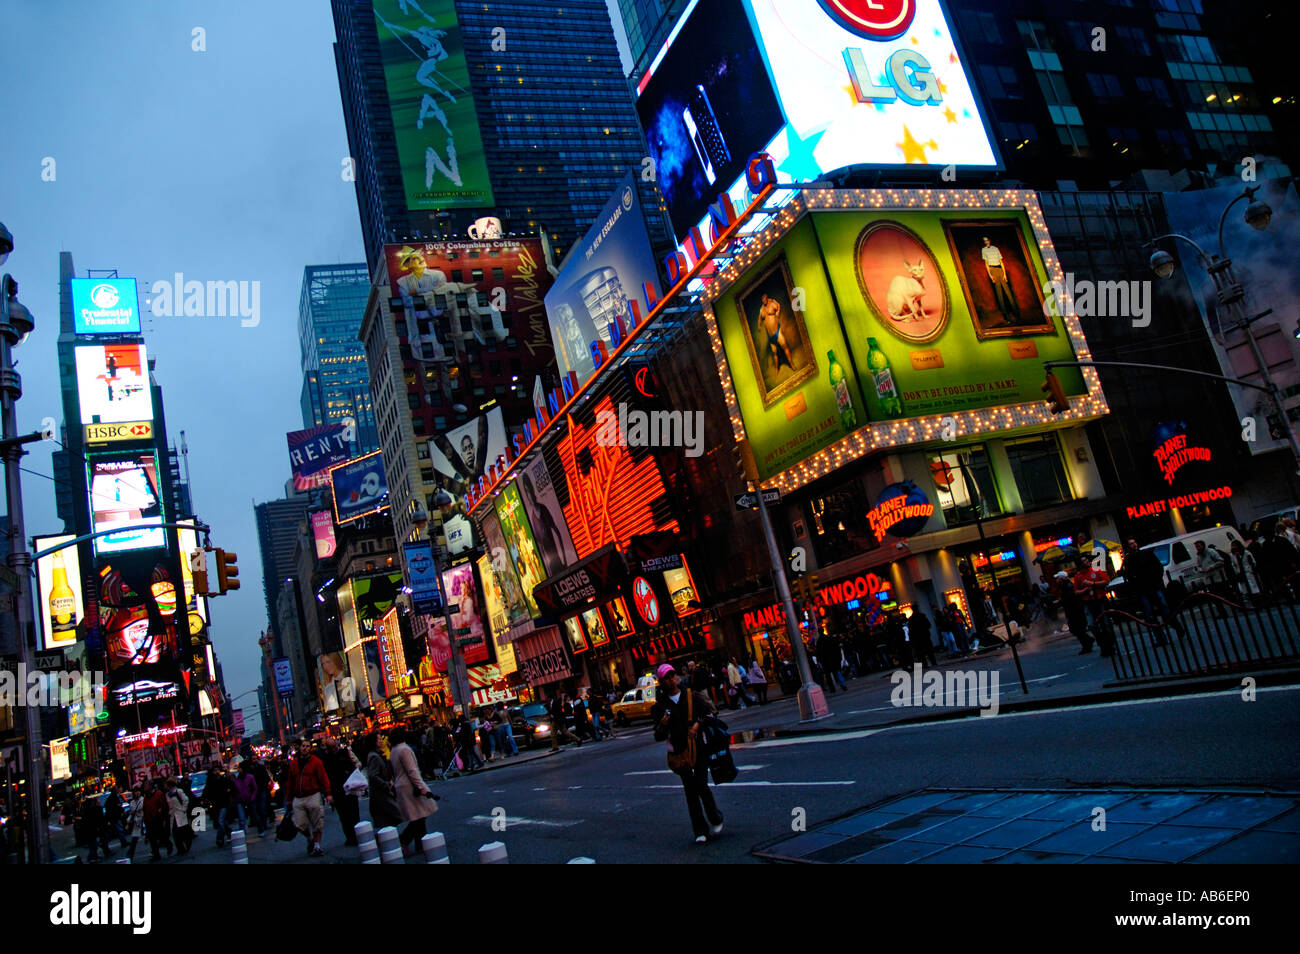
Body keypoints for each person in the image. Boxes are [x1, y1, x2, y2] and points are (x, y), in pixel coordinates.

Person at [651, 664, 724, 845]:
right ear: (661, 682)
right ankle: (700, 830)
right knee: (690, 791)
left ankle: (714, 817)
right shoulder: (659, 706)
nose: (671, 679)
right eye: (666, 677)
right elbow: (658, 735)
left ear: (677, 676)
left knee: (701, 785)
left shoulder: (691, 695)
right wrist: (662, 724)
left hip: (698, 748)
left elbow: (711, 714)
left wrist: (697, 725)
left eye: (672, 675)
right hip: (679, 752)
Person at [1120, 538, 1182, 645]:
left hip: (1154, 586)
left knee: (1164, 610)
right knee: (1150, 615)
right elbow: (1128, 575)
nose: (1133, 545)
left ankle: (1177, 628)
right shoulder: (1128, 560)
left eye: (1134, 543)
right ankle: (1160, 638)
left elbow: (1158, 567)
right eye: (1131, 544)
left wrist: (1157, 580)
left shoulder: (1146, 554)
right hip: (1142, 590)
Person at [388, 728, 438, 854]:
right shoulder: (404, 749)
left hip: (401, 785)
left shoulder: (394, 749)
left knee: (418, 815)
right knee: (419, 817)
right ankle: (404, 840)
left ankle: (420, 843)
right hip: (410, 786)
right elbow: (412, 771)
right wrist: (423, 788)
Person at [285, 738, 332, 857]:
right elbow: (290, 782)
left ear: (310, 748)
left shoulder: (316, 762)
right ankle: (309, 837)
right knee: (298, 824)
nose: (305, 748)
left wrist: (328, 794)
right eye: (303, 746)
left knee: (317, 822)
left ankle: (317, 846)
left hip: (313, 795)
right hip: (298, 798)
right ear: (299, 748)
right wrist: (289, 799)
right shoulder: (293, 764)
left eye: (307, 746)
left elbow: (323, 778)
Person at [321, 737, 362, 846]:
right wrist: (328, 793)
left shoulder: (345, 753)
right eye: (330, 747)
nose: (333, 749)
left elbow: (358, 764)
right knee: (344, 816)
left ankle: (356, 835)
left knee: (354, 814)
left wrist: (354, 771)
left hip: (349, 787)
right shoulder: (326, 759)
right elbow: (325, 777)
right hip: (337, 790)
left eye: (334, 746)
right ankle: (350, 837)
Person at [361, 733, 404, 831]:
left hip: (382, 792)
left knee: (389, 819)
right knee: (394, 815)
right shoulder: (374, 756)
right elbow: (373, 775)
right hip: (381, 793)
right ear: (374, 742)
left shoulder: (377, 754)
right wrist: (386, 784)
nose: (381, 741)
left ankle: (390, 838)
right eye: (379, 739)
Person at [1073, 558, 1113, 655]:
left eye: (1087, 560)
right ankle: (1101, 643)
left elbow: (1106, 581)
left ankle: (1110, 645)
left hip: (1100, 600)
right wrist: (1084, 591)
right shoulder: (1078, 576)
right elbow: (1076, 591)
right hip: (1088, 602)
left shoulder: (1095, 570)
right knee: (1091, 625)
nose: (1087, 562)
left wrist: (1093, 584)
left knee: (1105, 623)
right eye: (1084, 561)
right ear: (1080, 564)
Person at [142, 779, 172, 861]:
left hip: (158, 819)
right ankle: (156, 854)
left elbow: (163, 806)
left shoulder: (158, 794)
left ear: (151, 786)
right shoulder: (146, 797)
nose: (145, 787)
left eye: (146, 785)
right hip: (149, 820)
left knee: (161, 835)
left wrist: (161, 813)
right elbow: (144, 808)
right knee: (152, 838)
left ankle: (168, 845)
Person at [1229, 539, 1262, 604]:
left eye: (1235, 545)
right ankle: (1253, 601)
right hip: (1240, 573)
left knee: (1253, 588)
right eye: (1233, 546)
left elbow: (1253, 562)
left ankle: (1257, 601)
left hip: (1248, 572)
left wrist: (1250, 569)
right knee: (1246, 589)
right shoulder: (1232, 555)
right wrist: (1237, 572)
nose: (1234, 547)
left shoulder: (1246, 552)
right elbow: (1233, 565)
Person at [166, 778, 193, 855]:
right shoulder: (167, 795)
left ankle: (187, 843)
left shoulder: (179, 791)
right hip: (173, 815)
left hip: (180, 814)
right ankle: (180, 848)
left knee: (183, 830)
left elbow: (185, 800)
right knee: (175, 833)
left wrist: (184, 809)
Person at [233, 761, 257, 833]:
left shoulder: (249, 777)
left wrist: (252, 797)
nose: (238, 770)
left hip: (249, 799)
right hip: (240, 800)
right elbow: (236, 789)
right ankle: (242, 831)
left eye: (239, 768)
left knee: (255, 815)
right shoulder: (237, 778)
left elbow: (254, 788)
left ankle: (260, 828)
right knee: (241, 818)